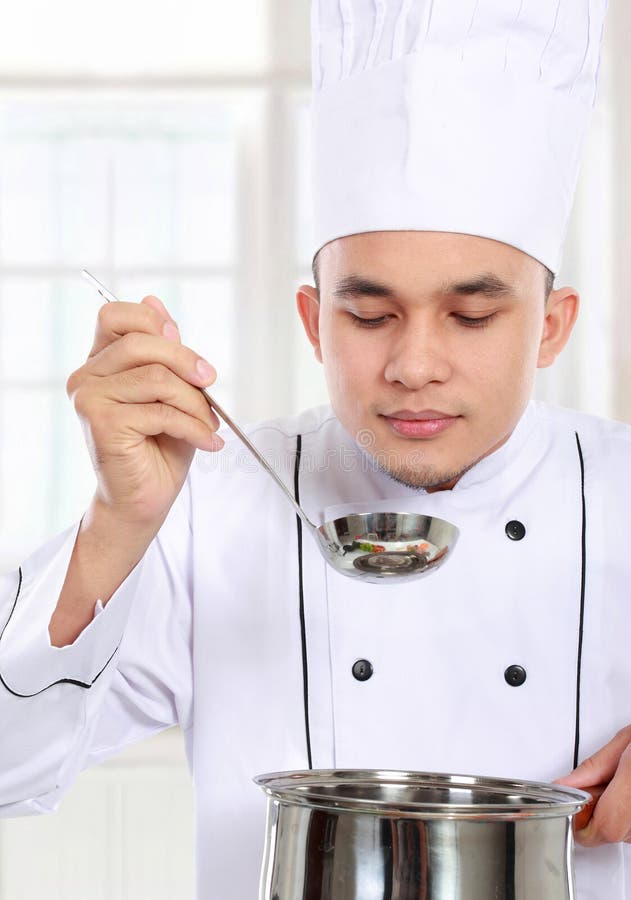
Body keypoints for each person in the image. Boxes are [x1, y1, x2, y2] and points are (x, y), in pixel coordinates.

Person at [1, 1, 629, 898]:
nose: (413, 365)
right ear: (312, 321)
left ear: (551, 328)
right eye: (369, 315)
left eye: (472, 315)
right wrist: (119, 519)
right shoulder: (211, 506)